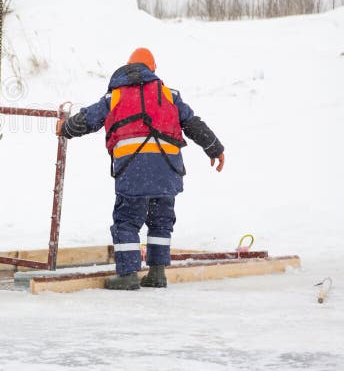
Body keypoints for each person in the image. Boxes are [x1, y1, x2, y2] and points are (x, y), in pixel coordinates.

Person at [56, 47, 225, 290]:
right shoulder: (169, 94)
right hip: (168, 169)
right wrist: (214, 148)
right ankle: (157, 273)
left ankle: (127, 275)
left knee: (126, 221)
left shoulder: (115, 96)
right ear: (152, 70)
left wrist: (64, 128)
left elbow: (87, 119)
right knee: (161, 221)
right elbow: (192, 122)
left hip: (134, 170)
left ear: (128, 67)